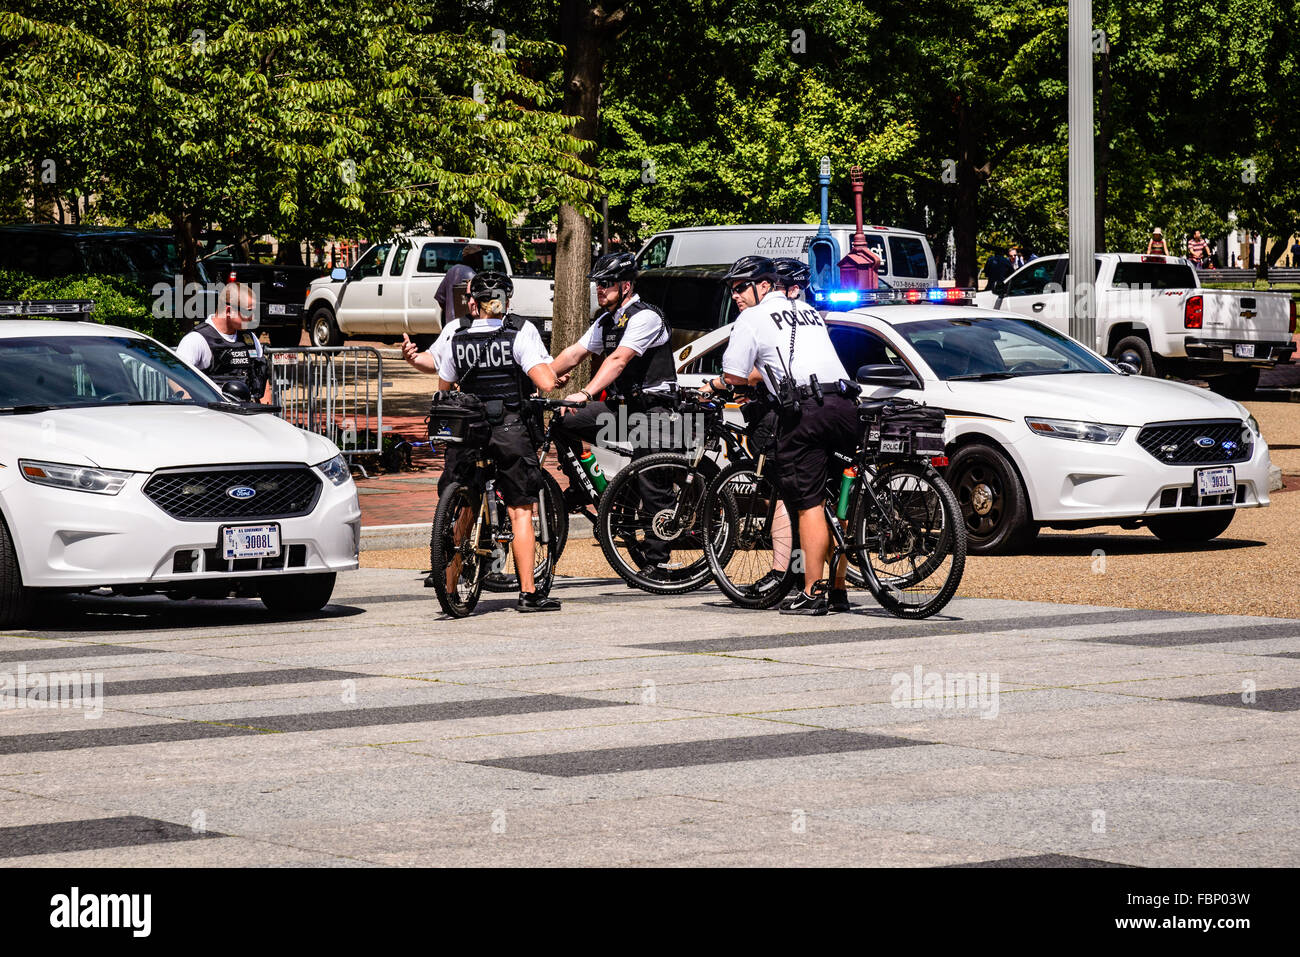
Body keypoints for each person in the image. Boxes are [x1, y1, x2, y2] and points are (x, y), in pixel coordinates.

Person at [709, 255, 859, 616]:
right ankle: (838, 590)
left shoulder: (752, 318)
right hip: (844, 402)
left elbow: (734, 375)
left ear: (764, 285)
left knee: (808, 504)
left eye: (741, 287)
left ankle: (812, 591)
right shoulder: (805, 310)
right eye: (732, 290)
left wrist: (717, 384)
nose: (736, 296)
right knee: (839, 500)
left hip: (807, 411)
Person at [428, 271, 562, 612]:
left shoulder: (455, 333)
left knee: (467, 504)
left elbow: (444, 388)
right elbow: (545, 382)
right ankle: (529, 593)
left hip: (469, 431)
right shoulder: (520, 330)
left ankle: (449, 585)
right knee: (520, 509)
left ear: (474, 302)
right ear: (505, 301)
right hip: (508, 428)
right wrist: (556, 378)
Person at [548, 251, 679, 577]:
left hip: (655, 409)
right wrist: (539, 376)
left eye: (606, 284)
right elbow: (574, 353)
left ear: (626, 285)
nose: (599, 289)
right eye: (597, 284)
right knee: (563, 420)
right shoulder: (606, 321)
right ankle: (587, 488)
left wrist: (586, 392)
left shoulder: (645, 317)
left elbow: (619, 360)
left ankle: (657, 562)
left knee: (652, 483)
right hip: (622, 409)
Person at [175, 281, 272, 403]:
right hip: (212, 416)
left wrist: (265, 414)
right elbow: (176, 377)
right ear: (228, 311)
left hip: (246, 415)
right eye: (248, 311)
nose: (252, 317)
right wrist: (192, 405)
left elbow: (261, 378)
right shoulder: (197, 339)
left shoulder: (250, 338)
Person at [436, 244, 485, 326]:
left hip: (451, 323)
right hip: (465, 325)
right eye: (479, 256)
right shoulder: (471, 275)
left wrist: (450, 312)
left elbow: (440, 299)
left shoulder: (452, 270)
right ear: (471, 258)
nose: (482, 260)